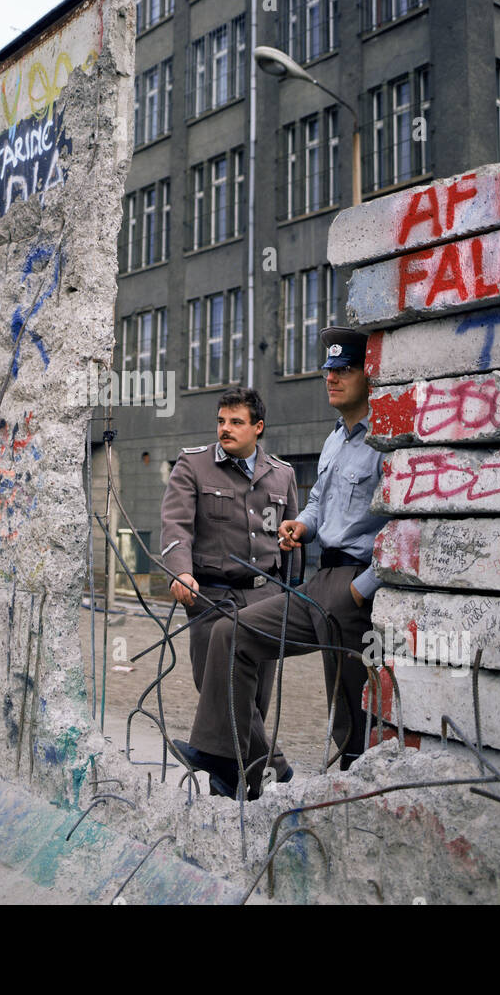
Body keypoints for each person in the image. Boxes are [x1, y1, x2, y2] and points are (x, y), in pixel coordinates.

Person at [174, 328, 388, 795]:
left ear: (368, 374)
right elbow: (317, 505)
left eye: (344, 369)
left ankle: (360, 797)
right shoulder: (335, 440)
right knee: (231, 636)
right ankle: (223, 755)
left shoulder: (385, 438)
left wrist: (365, 588)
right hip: (319, 579)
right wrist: (304, 526)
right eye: (328, 369)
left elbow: (404, 524)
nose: (331, 377)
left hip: (352, 585)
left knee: (350, 710)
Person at [160, 386, 297, 796]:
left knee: (254, 697)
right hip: (210, 598)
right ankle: (274, 768)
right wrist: (180, 572)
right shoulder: (193, 466)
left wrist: (288, 596)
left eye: (236, 422)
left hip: (264, 598)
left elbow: (289, 543)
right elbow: (175, 528)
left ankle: (232, 784)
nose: (225, 429)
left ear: (258, 427)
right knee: (222, 689)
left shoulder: (282, 474)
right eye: (221, 421)